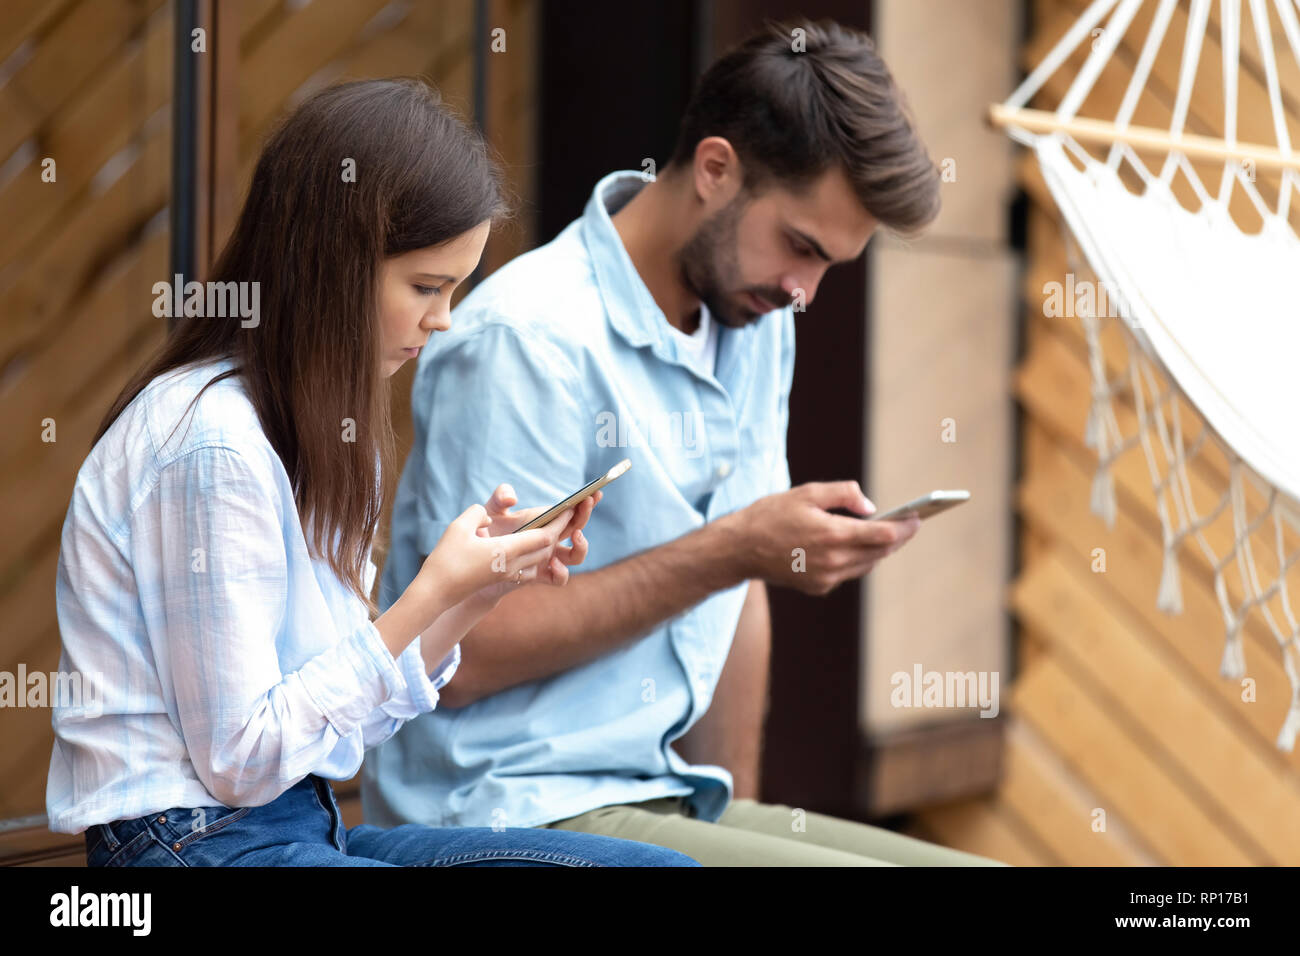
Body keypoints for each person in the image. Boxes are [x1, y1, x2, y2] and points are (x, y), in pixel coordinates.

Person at [364, 21, 1007, 866]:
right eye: (801, 247)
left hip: (665, 795)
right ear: (715, 169)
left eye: (829, 269)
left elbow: (737, 595)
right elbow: (460, 653)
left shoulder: (754, 324)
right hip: (506, 809)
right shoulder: (528, 337)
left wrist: (738, 820)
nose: (803, 291)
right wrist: (731, 550)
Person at [46, 78, 697, 868]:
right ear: (331, 265)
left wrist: (472, 593)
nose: (444, 318)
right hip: (188, 840)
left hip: (299, 825)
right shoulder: (213, 443)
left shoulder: (323, 422)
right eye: (427, 287)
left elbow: (350, 714)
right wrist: (426, 593)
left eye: (456, 289)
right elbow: (241, 759)